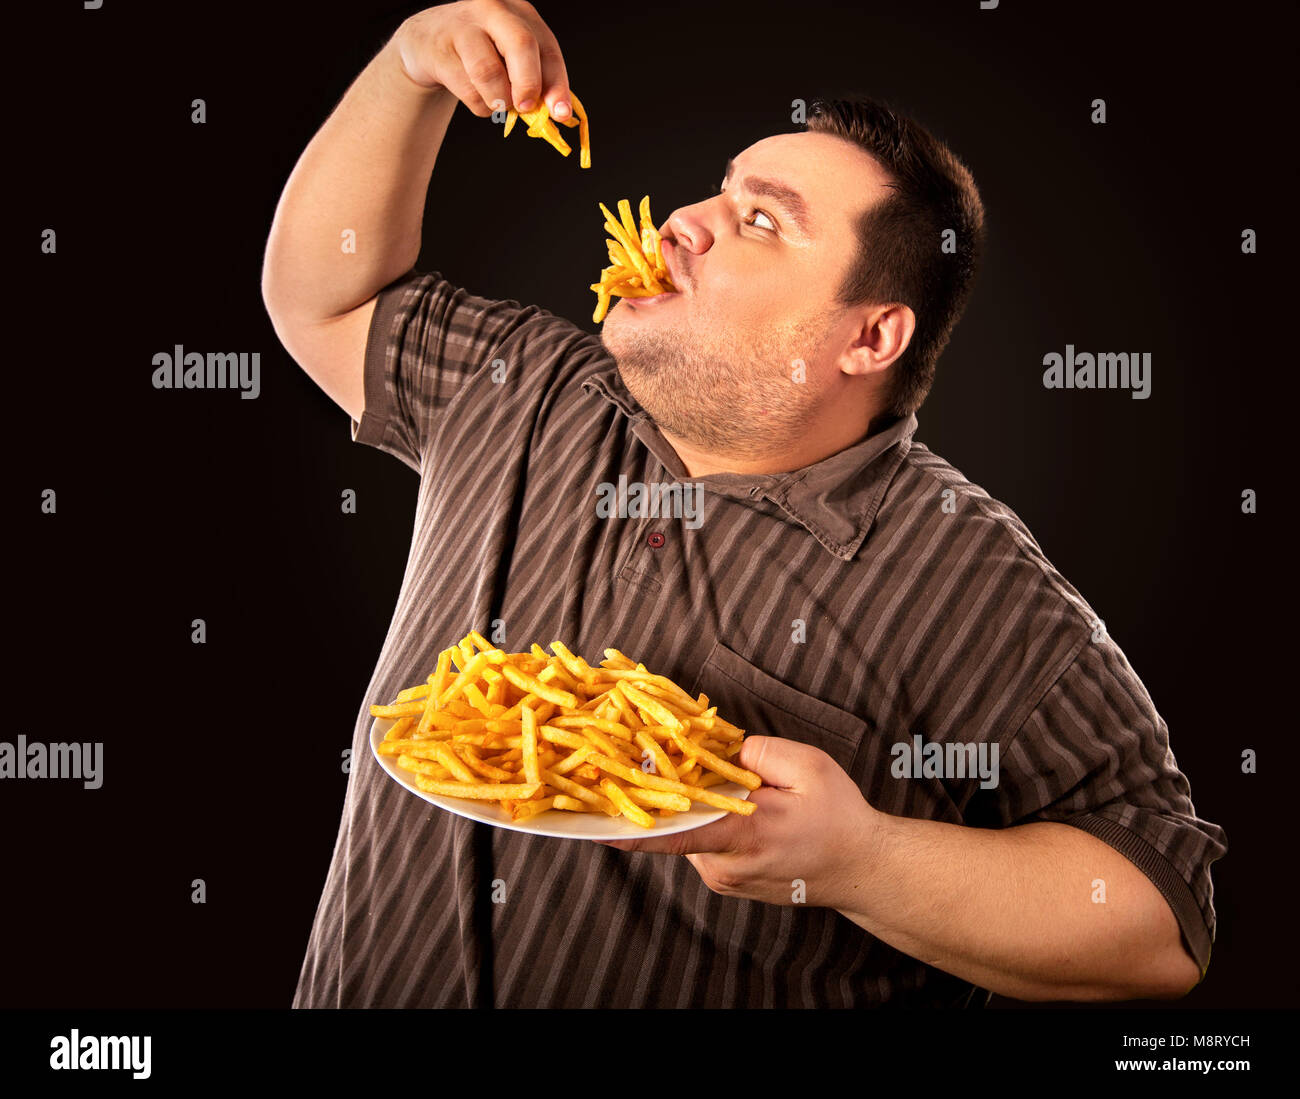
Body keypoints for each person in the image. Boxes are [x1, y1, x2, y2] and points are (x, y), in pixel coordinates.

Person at [262, 0, 1226, 1008]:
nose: (681, 222)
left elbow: (1163, 918)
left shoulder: (964, 573)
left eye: (759, 219)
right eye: (719, 193)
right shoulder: (527, 387)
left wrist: (866, 859)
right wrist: (411, 67)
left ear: (869, 338)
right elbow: (322, 298)